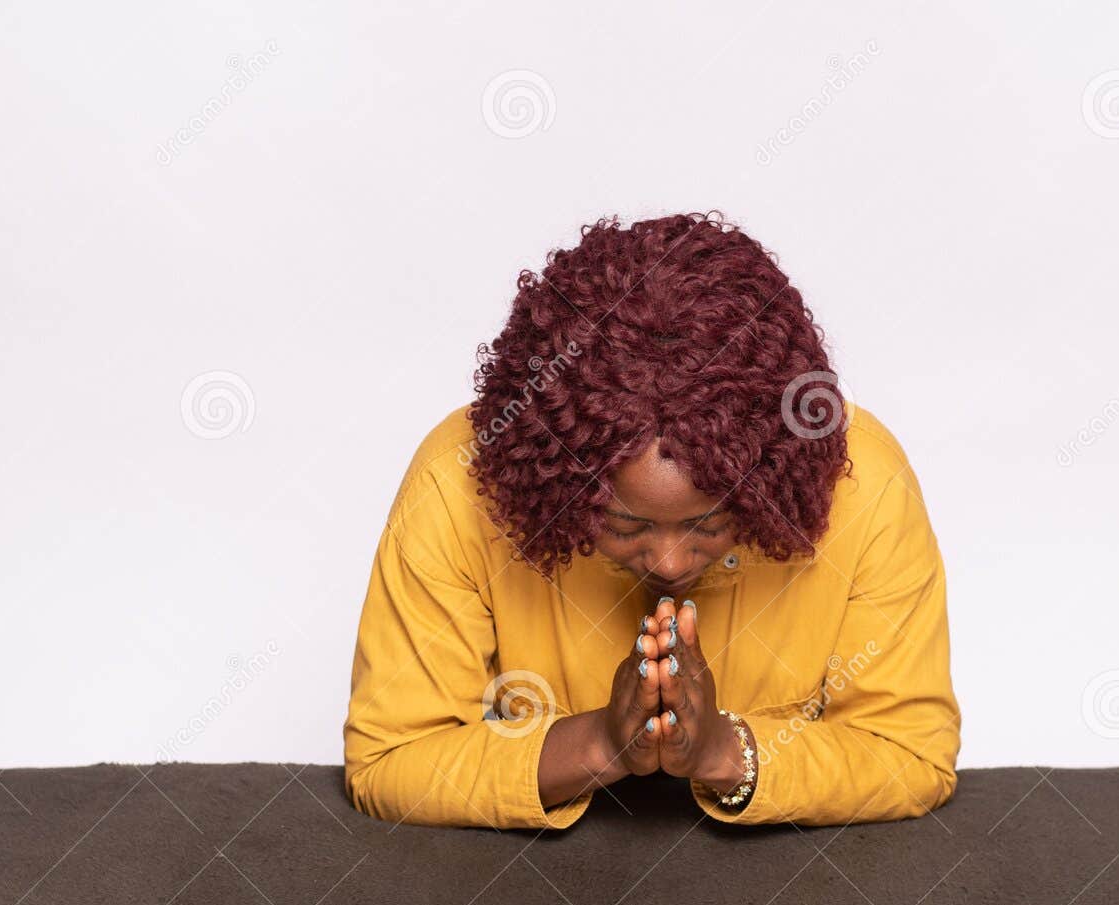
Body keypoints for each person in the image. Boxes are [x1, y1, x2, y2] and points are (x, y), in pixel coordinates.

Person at [343, 212, 960, 829]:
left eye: (710, 522)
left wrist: (724, 750)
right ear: (552, 484)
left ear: (770, 481)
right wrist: (600, 744)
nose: (668, 562)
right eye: (626, 525)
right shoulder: (459, 481)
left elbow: (909, 753)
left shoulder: (864, 484)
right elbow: (393, 758)